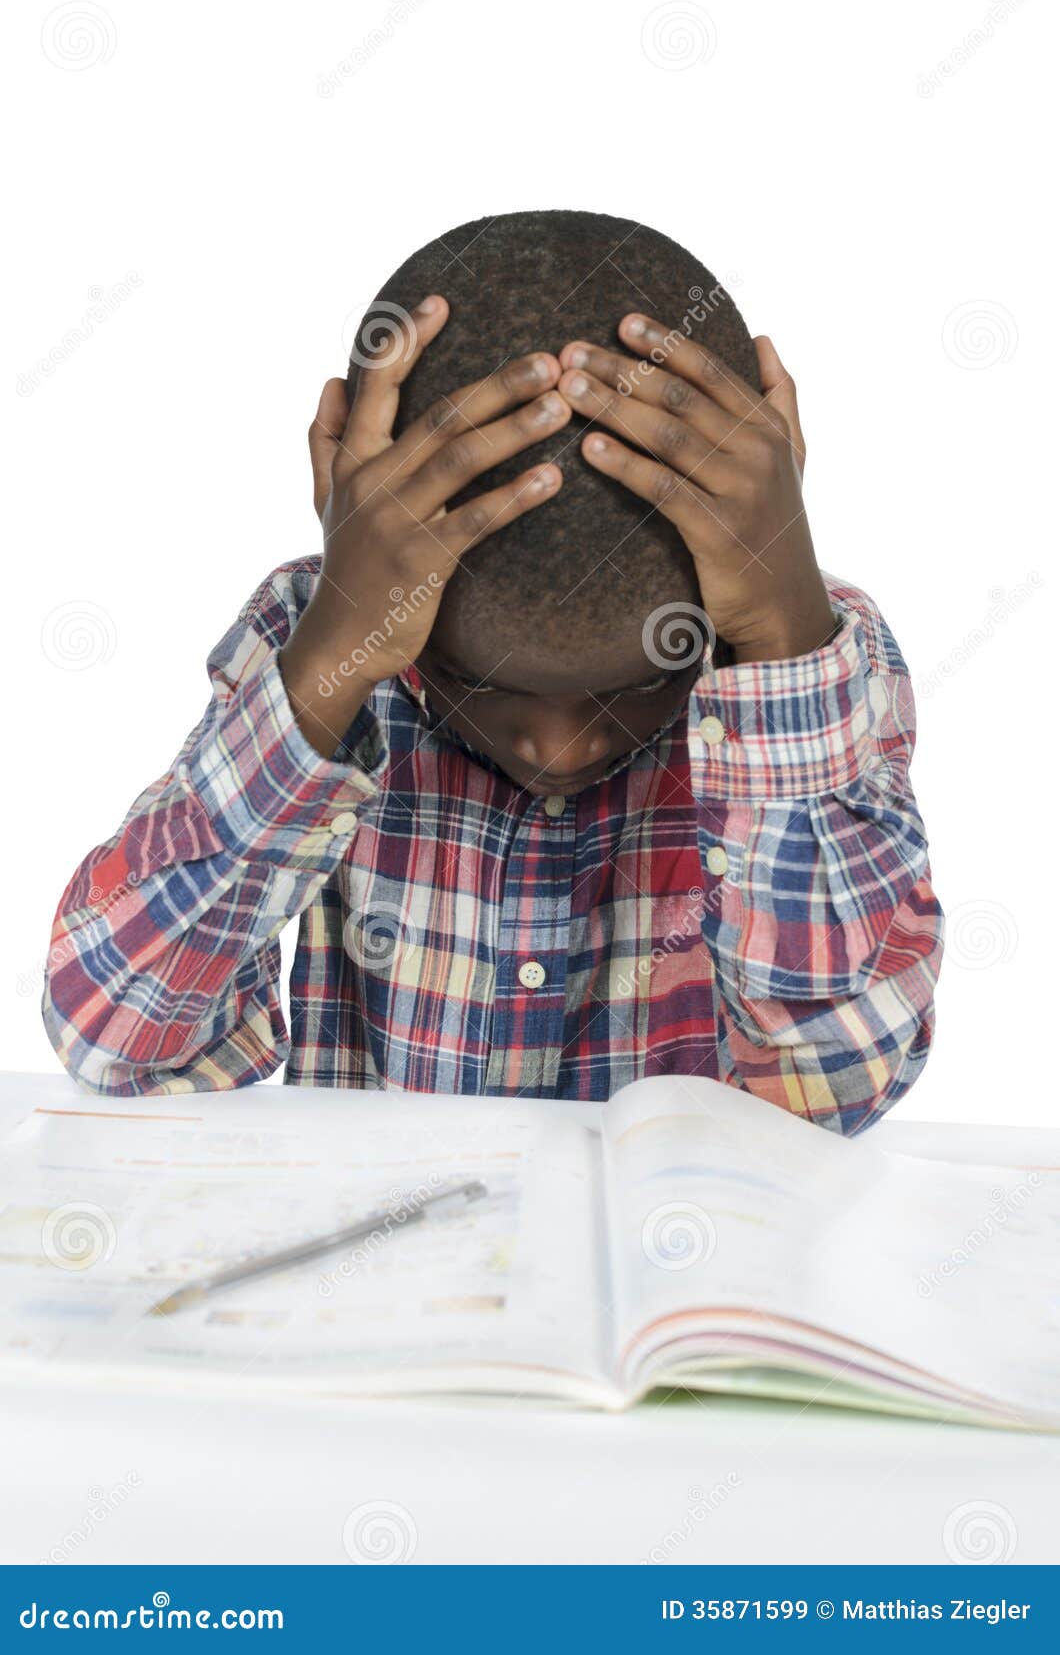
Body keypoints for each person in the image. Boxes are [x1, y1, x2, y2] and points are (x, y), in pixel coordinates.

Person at [42, 210, 943, 1130]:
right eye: (490, 688)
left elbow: (837, 1088)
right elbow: (117, 1047)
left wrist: (783, 629)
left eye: (640, 684)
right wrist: (327, 665)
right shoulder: (322, 638)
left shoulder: (806, 662)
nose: (557, 744)